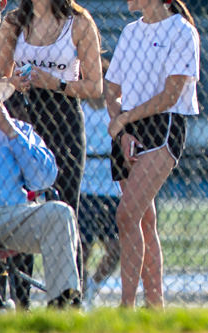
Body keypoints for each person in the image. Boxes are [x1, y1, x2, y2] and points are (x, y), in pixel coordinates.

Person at [0, 0, 103, 307]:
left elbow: (95, 87)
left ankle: (67, 295)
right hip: (23, 116)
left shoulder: (79, 23)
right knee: (20, 206)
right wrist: (17, 81)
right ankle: (21, 301)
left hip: (63, 117)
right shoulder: (14, 22)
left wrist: (54, 82)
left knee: (64, 205)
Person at [105, 0, 201, 308]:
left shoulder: (182, 31)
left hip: (164, 125)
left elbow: (170, 95)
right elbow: (110, 89)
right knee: (143, 220)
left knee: (126, 214)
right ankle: (154, 307)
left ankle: (127, 307)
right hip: (128, 129)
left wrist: (124, 118)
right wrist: (122, 129)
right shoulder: (131, 31)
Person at [0, 62, 81, 310]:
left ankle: (62, 302)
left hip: (14, 216)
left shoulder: (16, 130)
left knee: (59, 212)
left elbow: (44, 179)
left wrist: (11, 133)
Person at [79, 58, 121, 308]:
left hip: (111, 188)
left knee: (115, 247)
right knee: (82, 247)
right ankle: (82, 291)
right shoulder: (80, 109)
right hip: (85, 188)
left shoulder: (115, 110)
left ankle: (93, 285)